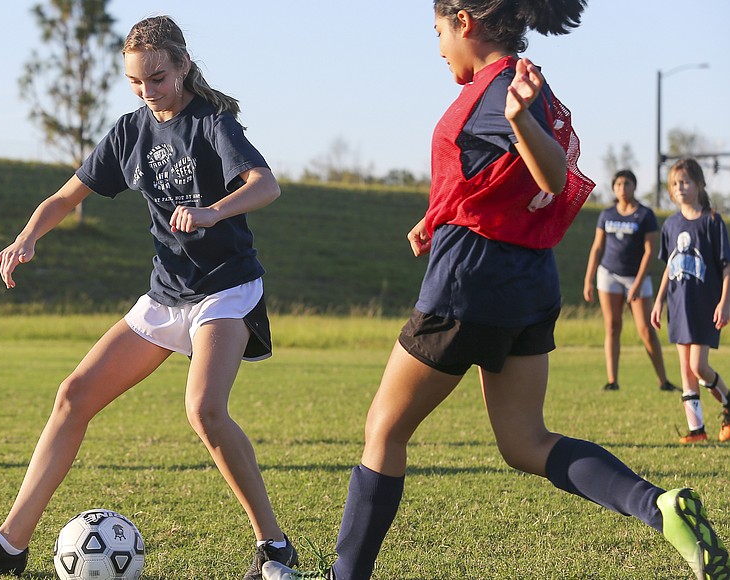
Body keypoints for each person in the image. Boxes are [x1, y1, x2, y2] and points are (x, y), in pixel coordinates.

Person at [262, 2, 730, 580]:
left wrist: (519, 120)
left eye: (437, 32)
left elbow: (552, 177)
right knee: (525, 441)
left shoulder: (500, 89)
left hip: (470, 281)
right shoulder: (529, 83)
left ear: (464, 21)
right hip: (528, 278)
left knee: (384, 431)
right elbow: (493, 182)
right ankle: (657, 507)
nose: (437, 48)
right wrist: (435, 217)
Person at [0, 16, 298, 579]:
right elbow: (66, 195)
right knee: (74, 394)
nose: (149, 91)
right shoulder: (130, 132)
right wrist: (27, 237)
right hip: (165, 294)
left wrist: (213, 210)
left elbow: (265, 185)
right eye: (136, 82)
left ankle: (274, 549)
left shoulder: (213, 124)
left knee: (204, 410)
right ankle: (10, 545)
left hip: (224, 289)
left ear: (183, 67)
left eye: (159, 78)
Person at [651, 158, 730, 445]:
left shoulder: (712, 220)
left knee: (699, 366)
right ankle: (697, 430)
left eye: (685, 182)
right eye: (674, 183)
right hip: (678, 304)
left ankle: (729, 406)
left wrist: (725, 301)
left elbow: (726, 266)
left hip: (706, 305)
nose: (679, 187)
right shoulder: (671, 224)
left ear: (699, 185)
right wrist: (659, 301)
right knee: (685, 368)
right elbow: (669, 267)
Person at [584, 169, 677, 392]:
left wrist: (637, 283)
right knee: (613, 326)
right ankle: (612, 380)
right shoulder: (606, 215)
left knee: (645, 328)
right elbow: (597, 248)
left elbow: (649, 251)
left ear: (634, 187)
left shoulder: (645, 215)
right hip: (609, 275)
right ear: (613, 188)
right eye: (618, 184)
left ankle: (663, 380)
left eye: (626, 184)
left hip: (637, 278)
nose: (622, 188)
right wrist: (588, 279)